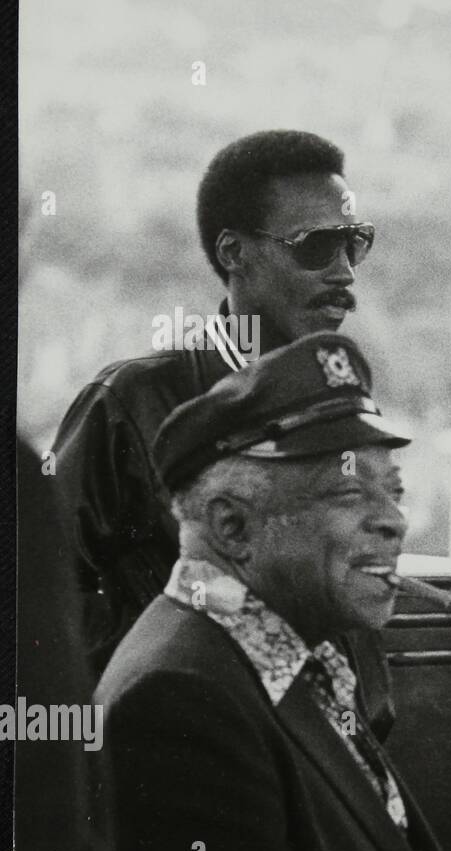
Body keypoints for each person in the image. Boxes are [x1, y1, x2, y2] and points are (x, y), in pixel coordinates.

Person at [98, 333, 451, 851]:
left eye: (395, 490)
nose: (394, 520)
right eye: (350, 493)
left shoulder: (290, 655)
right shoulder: (179, 705)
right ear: (232, 524)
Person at [51, 130, 386, 707]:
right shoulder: (129, 402)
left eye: (354, 244)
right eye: (316, 247)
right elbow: (45, 598)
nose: (344, 273)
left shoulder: (342, 407)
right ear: (233, 253)